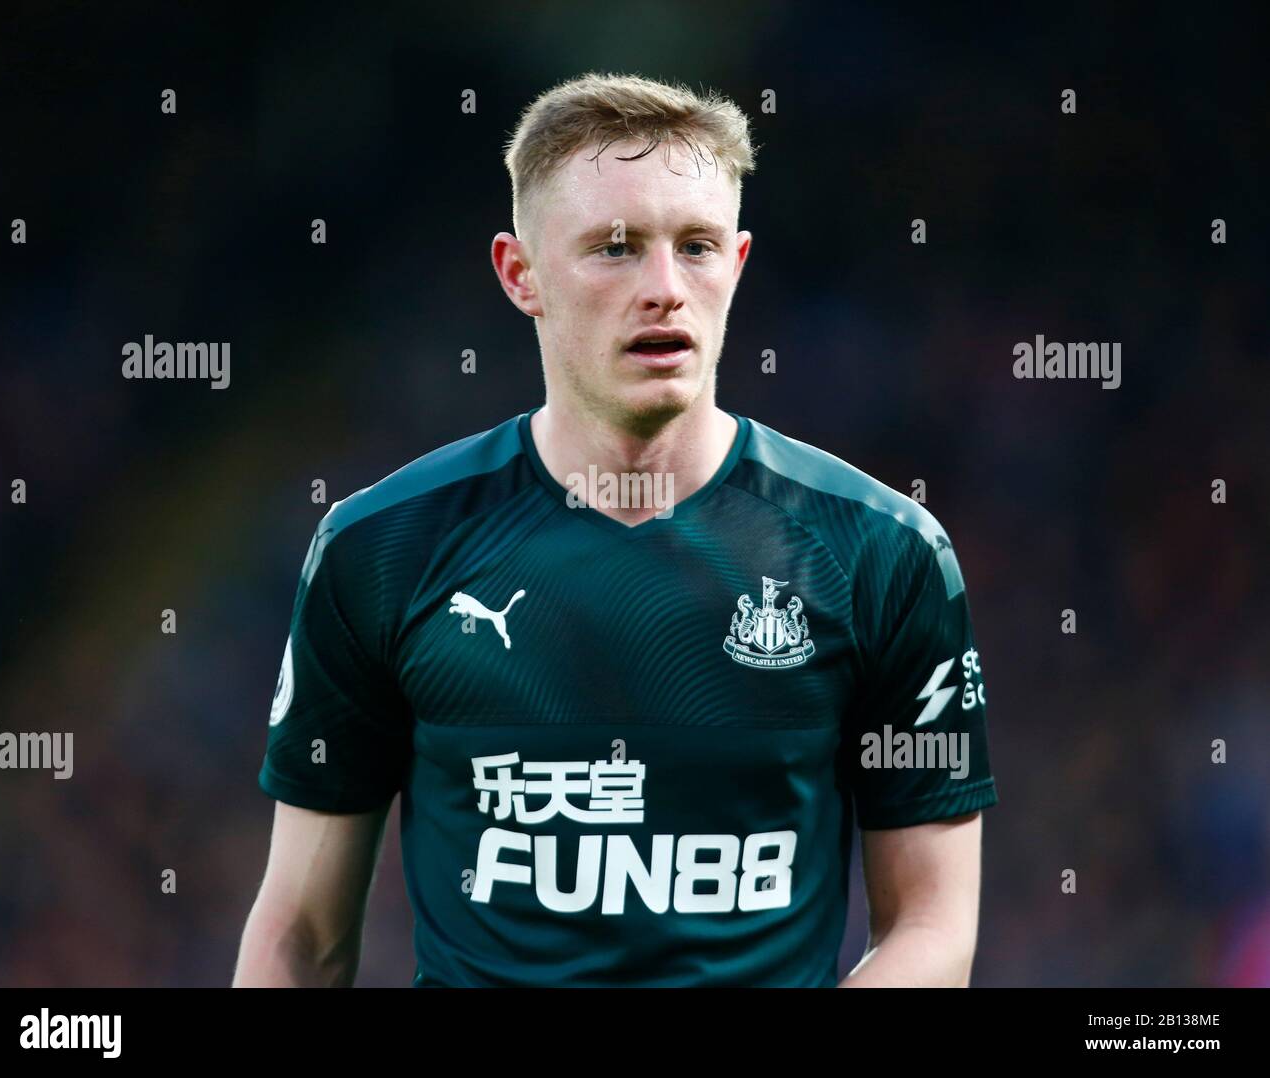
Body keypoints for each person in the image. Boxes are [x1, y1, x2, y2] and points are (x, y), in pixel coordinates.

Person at [234, 72, 997, 988]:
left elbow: (932, 926)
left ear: (739, 264)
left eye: (699, 247)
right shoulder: (379, 551)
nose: (666, 289)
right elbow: (301, 940)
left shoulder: (886, 555)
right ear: (522, 275)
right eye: (616, 249)